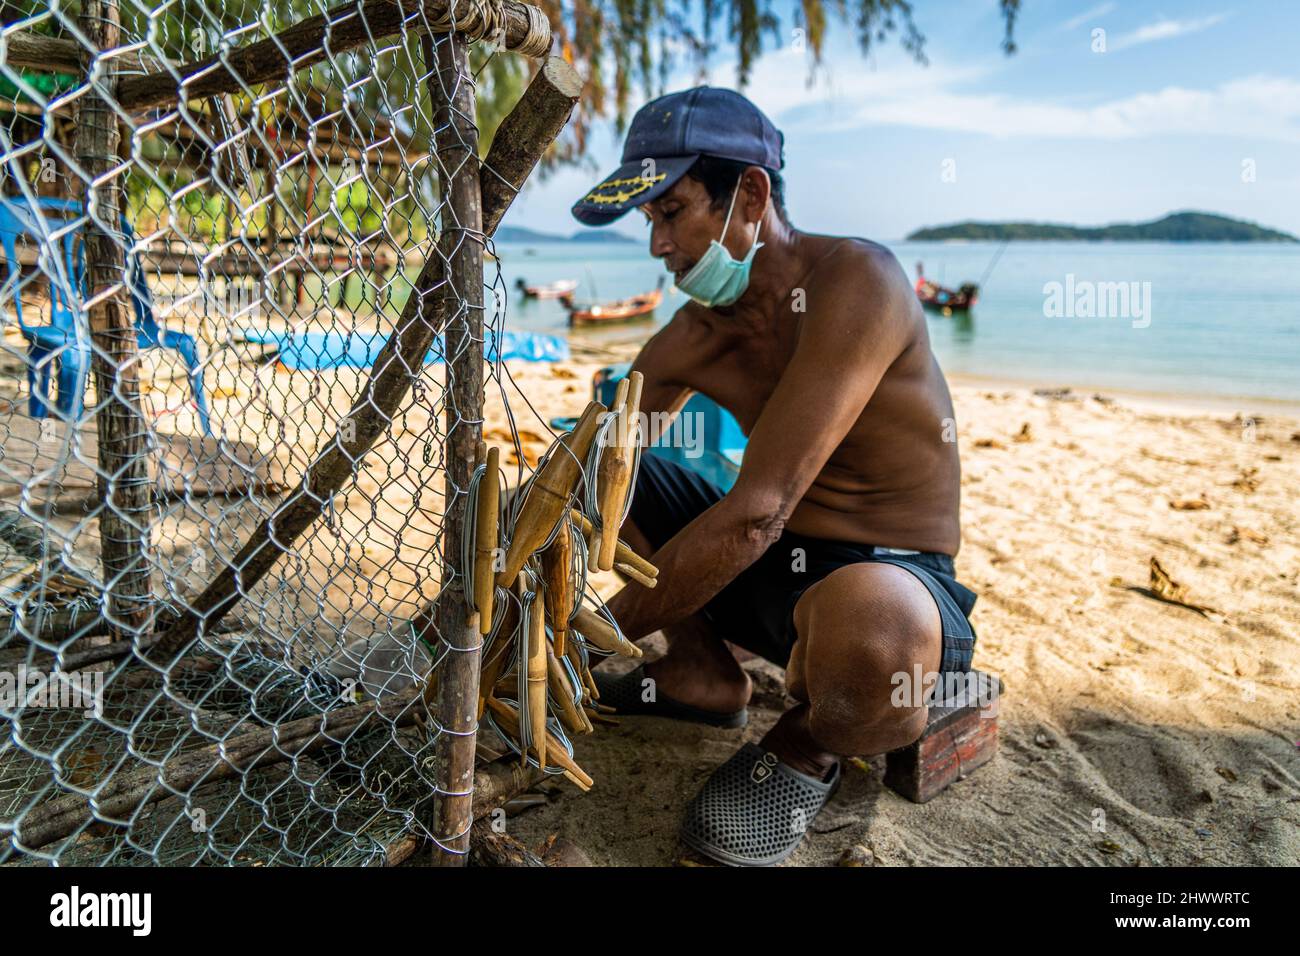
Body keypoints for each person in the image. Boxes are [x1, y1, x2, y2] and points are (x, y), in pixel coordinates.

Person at [570, 86, 978, 866]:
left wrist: (584, 639)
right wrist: (507, 601)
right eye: (648, 223)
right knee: (597, 473)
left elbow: (758, 513)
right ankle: (698, 672)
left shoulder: (859, 281)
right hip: (764, 577)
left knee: (878, 632)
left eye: (671, 211)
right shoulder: (688, 338)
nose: (659, 247)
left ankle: (803, 747)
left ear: (750, 195)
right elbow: (590, 470)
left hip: (885, 579)